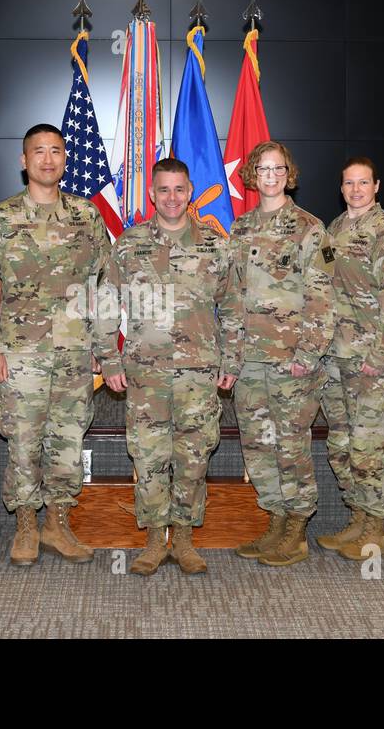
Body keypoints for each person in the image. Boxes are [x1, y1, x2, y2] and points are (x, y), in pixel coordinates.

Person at [0, 123, 111, 567]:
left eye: (56, 151)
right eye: (38, 152)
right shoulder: (1, 218)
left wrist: (103, 351)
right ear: (23, 160)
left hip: (74, 354)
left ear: (66, 159)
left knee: (67, 441)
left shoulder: (86, 216)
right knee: (24, 442)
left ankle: (57, 524)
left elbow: (106, 287)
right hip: (20, 354)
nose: (47, 159)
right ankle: (27, 525)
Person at [98, 157, 242, 576]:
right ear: (152, 194)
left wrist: (232, 359)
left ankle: (183, 537)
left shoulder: (216, 246)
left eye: (180, 189)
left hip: (199, 373)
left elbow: (233, 307)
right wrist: (108, 359)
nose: (172, 198)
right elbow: (107, 305)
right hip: (146, 374)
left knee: (194, 456)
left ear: (191, 191)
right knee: (148, 457)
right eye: (163, 190)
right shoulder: (129, 244)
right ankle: (152, 538)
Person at [229, 141, 337, 567]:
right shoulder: (239, 228)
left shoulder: (311, 229)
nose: (270, 175)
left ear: (288, 174)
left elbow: (323, 298)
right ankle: (275, 519)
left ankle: (296, 529)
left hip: (292, 360)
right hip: (249, 359)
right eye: (262, 168)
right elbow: (231, 296)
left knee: (291, 445)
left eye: (277, 168)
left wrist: (308, 354)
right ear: (252, 175)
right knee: (258, 445)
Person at [313, 157, 384, 561]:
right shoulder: (334, 229)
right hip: (337, 357)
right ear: (342, 188)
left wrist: (381, 354)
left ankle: (376, 528)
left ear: (376, 186)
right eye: (348, 184)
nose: (355, 190)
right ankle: (357, 518)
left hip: (375, 360)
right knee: (341, 444)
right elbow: (322, 287)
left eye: (363, 183)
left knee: (370, 446)